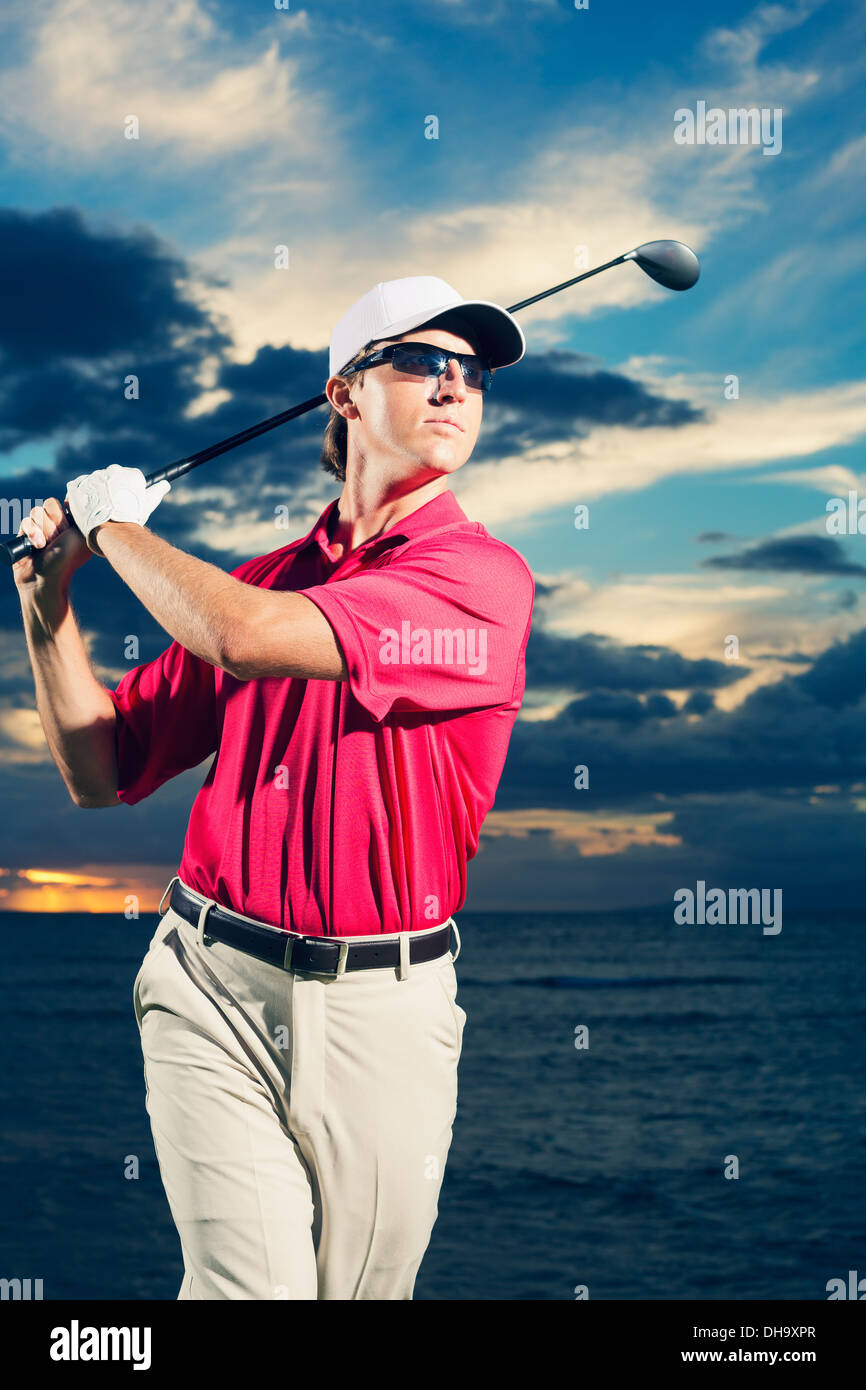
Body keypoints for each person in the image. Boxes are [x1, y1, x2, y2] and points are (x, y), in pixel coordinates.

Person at [13, 275, 535, 1300]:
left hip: (383, 1005)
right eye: (422, 361)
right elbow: (100, 770)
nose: (453, 387)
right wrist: (46, 604)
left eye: (470, 373)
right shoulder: (264, 574)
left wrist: (112, 524)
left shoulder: (479, 581)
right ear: (342, 394)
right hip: (207, 980)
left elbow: (241, 638)